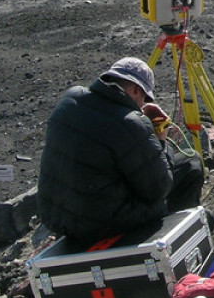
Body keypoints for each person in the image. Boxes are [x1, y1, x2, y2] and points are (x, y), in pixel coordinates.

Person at [37, 57, 204, 247]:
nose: (142, 104)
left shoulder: (70, 99)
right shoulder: (131, 123)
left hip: (56, 218)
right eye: (144, 98)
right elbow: (159, 188)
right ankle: (178, 238)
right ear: (135, 90)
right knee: (191, 164)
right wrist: (160, 139)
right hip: (100, 223)